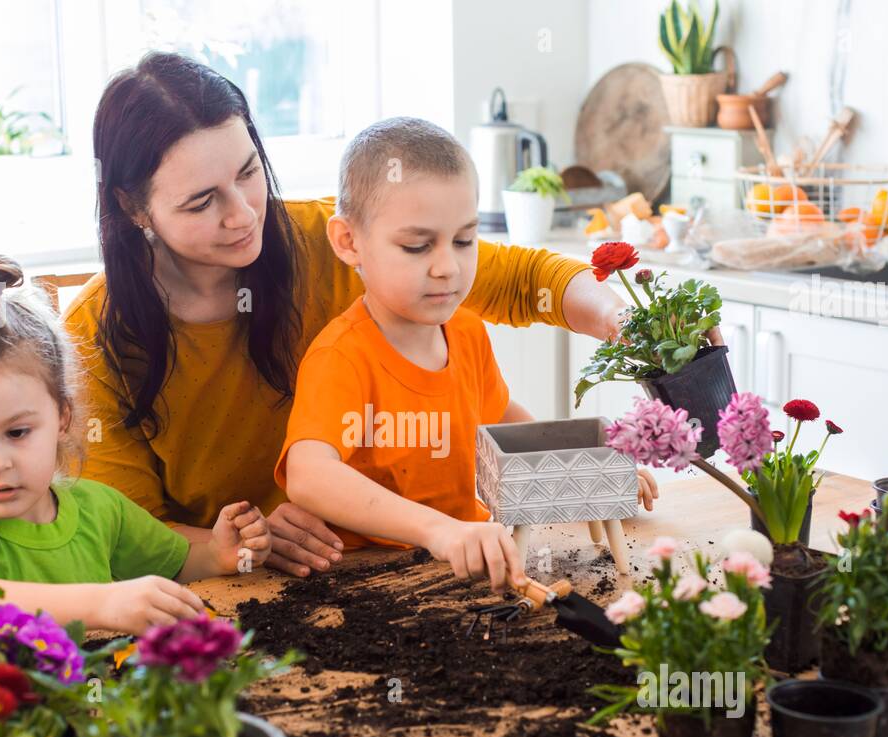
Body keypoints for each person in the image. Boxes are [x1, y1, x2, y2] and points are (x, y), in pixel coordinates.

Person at [62, 51, 634, 582]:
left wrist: (627, 321)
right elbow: (125, 533)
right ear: (133, 206)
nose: (243, 215)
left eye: (248, 172)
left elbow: (525, 281)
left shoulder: (331, 243)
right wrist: (250, 540)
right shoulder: (92, 339)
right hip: (245, 591)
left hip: (389, 565)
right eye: (202, 201)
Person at [275, 118, 657, 592]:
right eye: (417, 246)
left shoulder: (468, 331)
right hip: (368, 581)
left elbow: (506, 423)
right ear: (349, 242)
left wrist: (589, 469)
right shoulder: (341, 356)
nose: (447, 267)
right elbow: (308, 475)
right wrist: (438, 530)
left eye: (463, 241)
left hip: (466, 566)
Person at [0, 255, 270, 635]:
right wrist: (102, 603)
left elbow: (176, 564)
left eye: (16, 433)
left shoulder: (100, 509)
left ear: (63, 417)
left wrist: (217, 554)